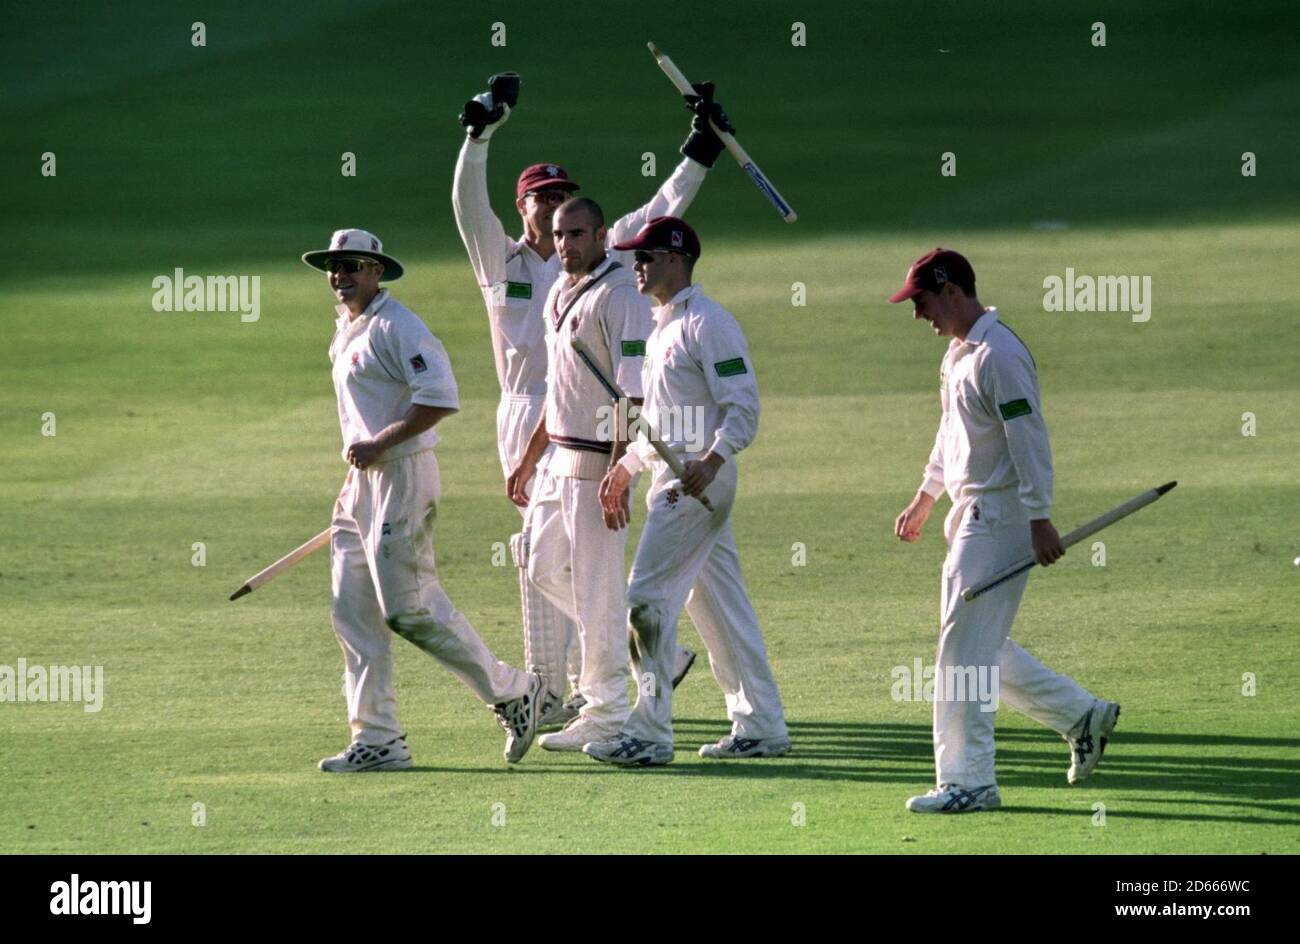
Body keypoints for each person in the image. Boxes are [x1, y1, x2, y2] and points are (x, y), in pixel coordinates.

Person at [458, 73, 733, 737]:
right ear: (527, 211)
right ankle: (604, 674)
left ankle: (595, 689)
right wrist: (478, 136)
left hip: (604, 424)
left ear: (589, 225)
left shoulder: (608, 256)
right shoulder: (504, 261)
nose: (555, 212)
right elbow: (468, 203)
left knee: (602, 565)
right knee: (544, 562)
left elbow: (662, 207)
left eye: (563, 198)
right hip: (532, 413)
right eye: (542, 201)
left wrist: (700, 149)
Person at [303, 228, 544, 770]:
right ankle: (378, 739)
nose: (340, 275)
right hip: (361, 484)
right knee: (352, 613)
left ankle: (512, 691)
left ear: (376, 271)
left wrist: (377, 445)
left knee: (407, 610)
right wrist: (359, 469)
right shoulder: (346, 330)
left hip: (403, 474)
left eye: (353, 266)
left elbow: (439, 399)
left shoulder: (398, 326)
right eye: (334, 267)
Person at [889, 247, 1120, 812]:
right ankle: (1079, 714)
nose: (917, 314)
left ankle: (970, 782)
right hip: (968, 514)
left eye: (921, 301)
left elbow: (1029, 439)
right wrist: (925, 496)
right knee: (976, 644)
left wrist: (1039, 516)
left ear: (951, 291)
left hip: (1001, 518)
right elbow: (952, 433)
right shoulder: (956, 355)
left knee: (961, 654)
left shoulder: (1000, 356)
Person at [583, 217, 790, 766]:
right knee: (720, 607)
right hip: (675, 476)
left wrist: (713, 458)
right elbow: (661, 421)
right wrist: (627, 465)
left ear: (676, 258)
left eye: (645, 257)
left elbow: (742, 404)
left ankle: (649, 735)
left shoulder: (709, 323)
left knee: (646, 603)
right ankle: (762, 724)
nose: (637, 266)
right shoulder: (661, 328)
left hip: (697, 484)